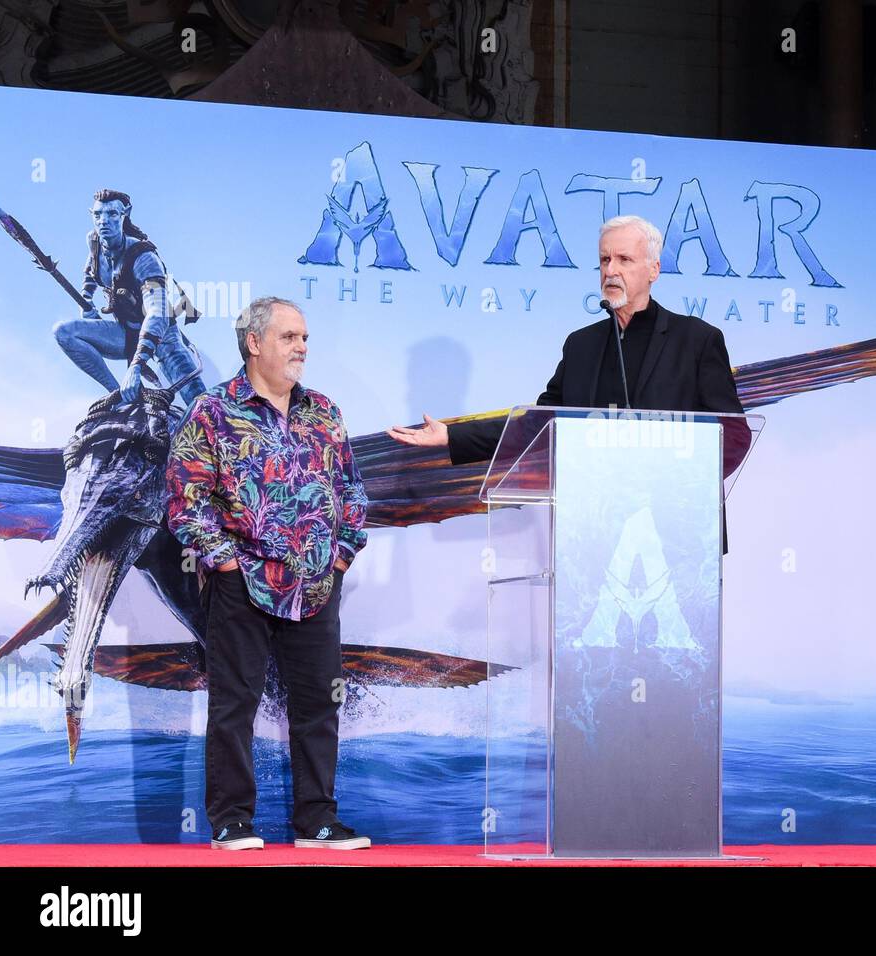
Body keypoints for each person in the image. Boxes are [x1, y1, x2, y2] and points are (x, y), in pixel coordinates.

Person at [165, 296, 370, 850]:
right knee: (234, 706)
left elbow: (351, 489)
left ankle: (317, 823)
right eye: (289, 337)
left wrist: (344, 551)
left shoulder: (324, 411)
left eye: (304, 338)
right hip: (242, 585)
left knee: (319, 705)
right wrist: (225, 561)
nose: (302, 347)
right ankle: (231, 823)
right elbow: (185, 498)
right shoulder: (212, 411)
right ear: (254, 343)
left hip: (315, 584)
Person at [387, 214, 749, 474]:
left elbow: (733, 436)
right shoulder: (582, 346)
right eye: (605, 260)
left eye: (624, 259)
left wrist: (684, 483)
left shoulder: (698, 341)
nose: (611, 270)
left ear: (654, 270)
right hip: (592, 525)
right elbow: (538, 427)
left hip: (679, 527)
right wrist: (453, 436)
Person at [53, 189, 204, 407]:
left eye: (112, 214)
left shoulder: (144, 257)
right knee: (63, 332)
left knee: (202, 405)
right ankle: (120, 398)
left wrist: (135, 366)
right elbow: (91, 270)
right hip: (125, 332)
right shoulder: (94, 242)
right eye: (98, 215)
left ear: (125, 214)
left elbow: (157, 312)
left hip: (162, 337)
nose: (104, 221)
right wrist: (86, 302)